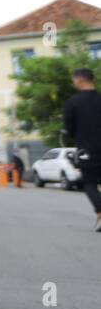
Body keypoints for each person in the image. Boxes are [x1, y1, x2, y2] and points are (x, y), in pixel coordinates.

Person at [63, 67, 101, 231]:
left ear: (79, 80)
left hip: (87, 150)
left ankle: (100, 214)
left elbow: (69, 130)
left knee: (90, 182)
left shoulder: (73, 102)